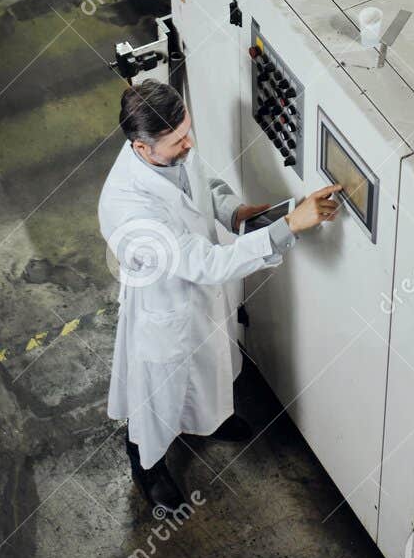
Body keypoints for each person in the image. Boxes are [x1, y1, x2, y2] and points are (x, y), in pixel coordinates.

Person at [98, 79, 341, 509]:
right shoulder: (128, 206)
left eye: (187, 131)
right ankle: (147, 461)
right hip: (164, 306)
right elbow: (204, 264)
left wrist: (237, 211)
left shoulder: (169, 151)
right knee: (159, 388)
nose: (189, 143)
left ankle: (207, 420)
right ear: (142, 149)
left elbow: (205, 185)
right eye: (177, 140)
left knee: (211, 362)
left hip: (201, 296)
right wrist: (288, 226)